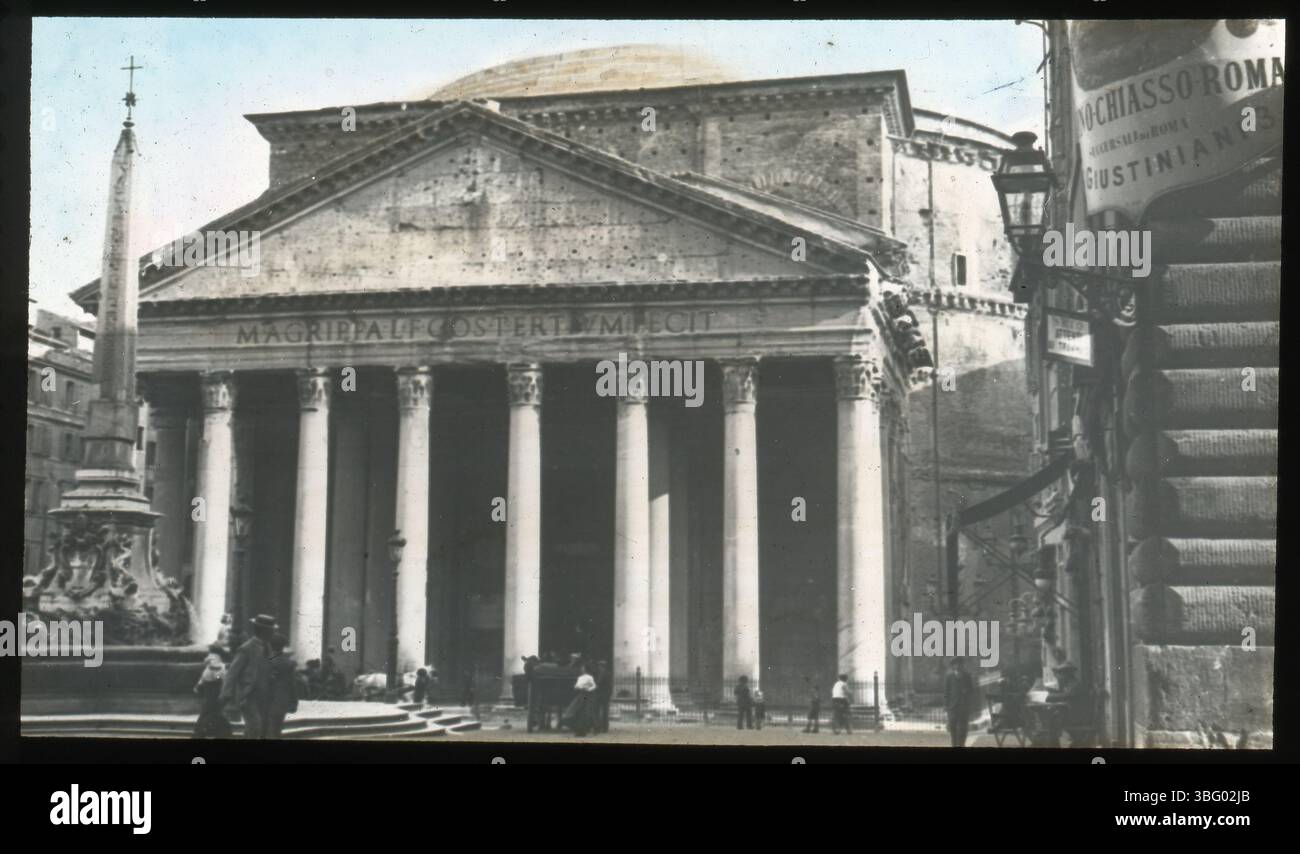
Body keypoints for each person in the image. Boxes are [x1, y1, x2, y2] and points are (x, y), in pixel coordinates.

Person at [221, 614, 275, 739]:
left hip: (265, 695)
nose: (273, 633)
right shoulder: (246, 649)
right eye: (271, 630)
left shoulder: (268, 647)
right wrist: (226, 694)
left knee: (259, 730)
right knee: (255, 726)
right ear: (263, 631)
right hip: (248, 694)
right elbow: (232, 673)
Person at [193, 644, 232, 739]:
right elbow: (218, 677)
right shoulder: (219, 664)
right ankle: (220, 733)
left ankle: (200, 733)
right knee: (214, 713)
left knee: (208, 713)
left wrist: (198, 686)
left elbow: (207, 675)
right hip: (215, 691)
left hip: (212, 691)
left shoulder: (213, 660)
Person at [266, 634, 299, 739]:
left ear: (271, 646)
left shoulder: (268, 661)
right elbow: (292, 684)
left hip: (269, 700)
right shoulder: (288, 663)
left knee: (269, 730)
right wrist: (294, 701)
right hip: (283, 700)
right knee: (277, 729)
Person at [944, 658, 976, 748]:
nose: (958, 666)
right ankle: (954, 744)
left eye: (960, 664)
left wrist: (967, 692)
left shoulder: (967, 676)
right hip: (952, 706)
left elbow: (971, 690)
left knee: (963, 727)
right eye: (956, 664)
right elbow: (946, 692)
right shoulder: (949, 676)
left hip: (964, 705)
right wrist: (946, 705)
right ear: (953, 666)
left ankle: (962, 744)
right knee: (952, 726)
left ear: (962, 665)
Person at [563, 664, 598, 737]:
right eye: (581, 668)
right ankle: (578, 730)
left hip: (587, 695)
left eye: (583, 668)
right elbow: (576, 686)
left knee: (585, 712)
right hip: (580, 695)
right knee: (576, 711)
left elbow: (594, 686)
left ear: (586, 669)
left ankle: (584, 730)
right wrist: (577, 687)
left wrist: (588, 689)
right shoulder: (580, 678)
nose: (582, 670)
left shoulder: (589, 677)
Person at [594, 660, 612, 734]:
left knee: (601, 712)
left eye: (600, 666)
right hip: (604, 695)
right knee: (603, 711)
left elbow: (599, 684)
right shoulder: (605, 673)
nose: (599, 667)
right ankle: (604, 727)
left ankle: (602, 727)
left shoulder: (603, 674)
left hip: (602, 695)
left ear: (602, 666)